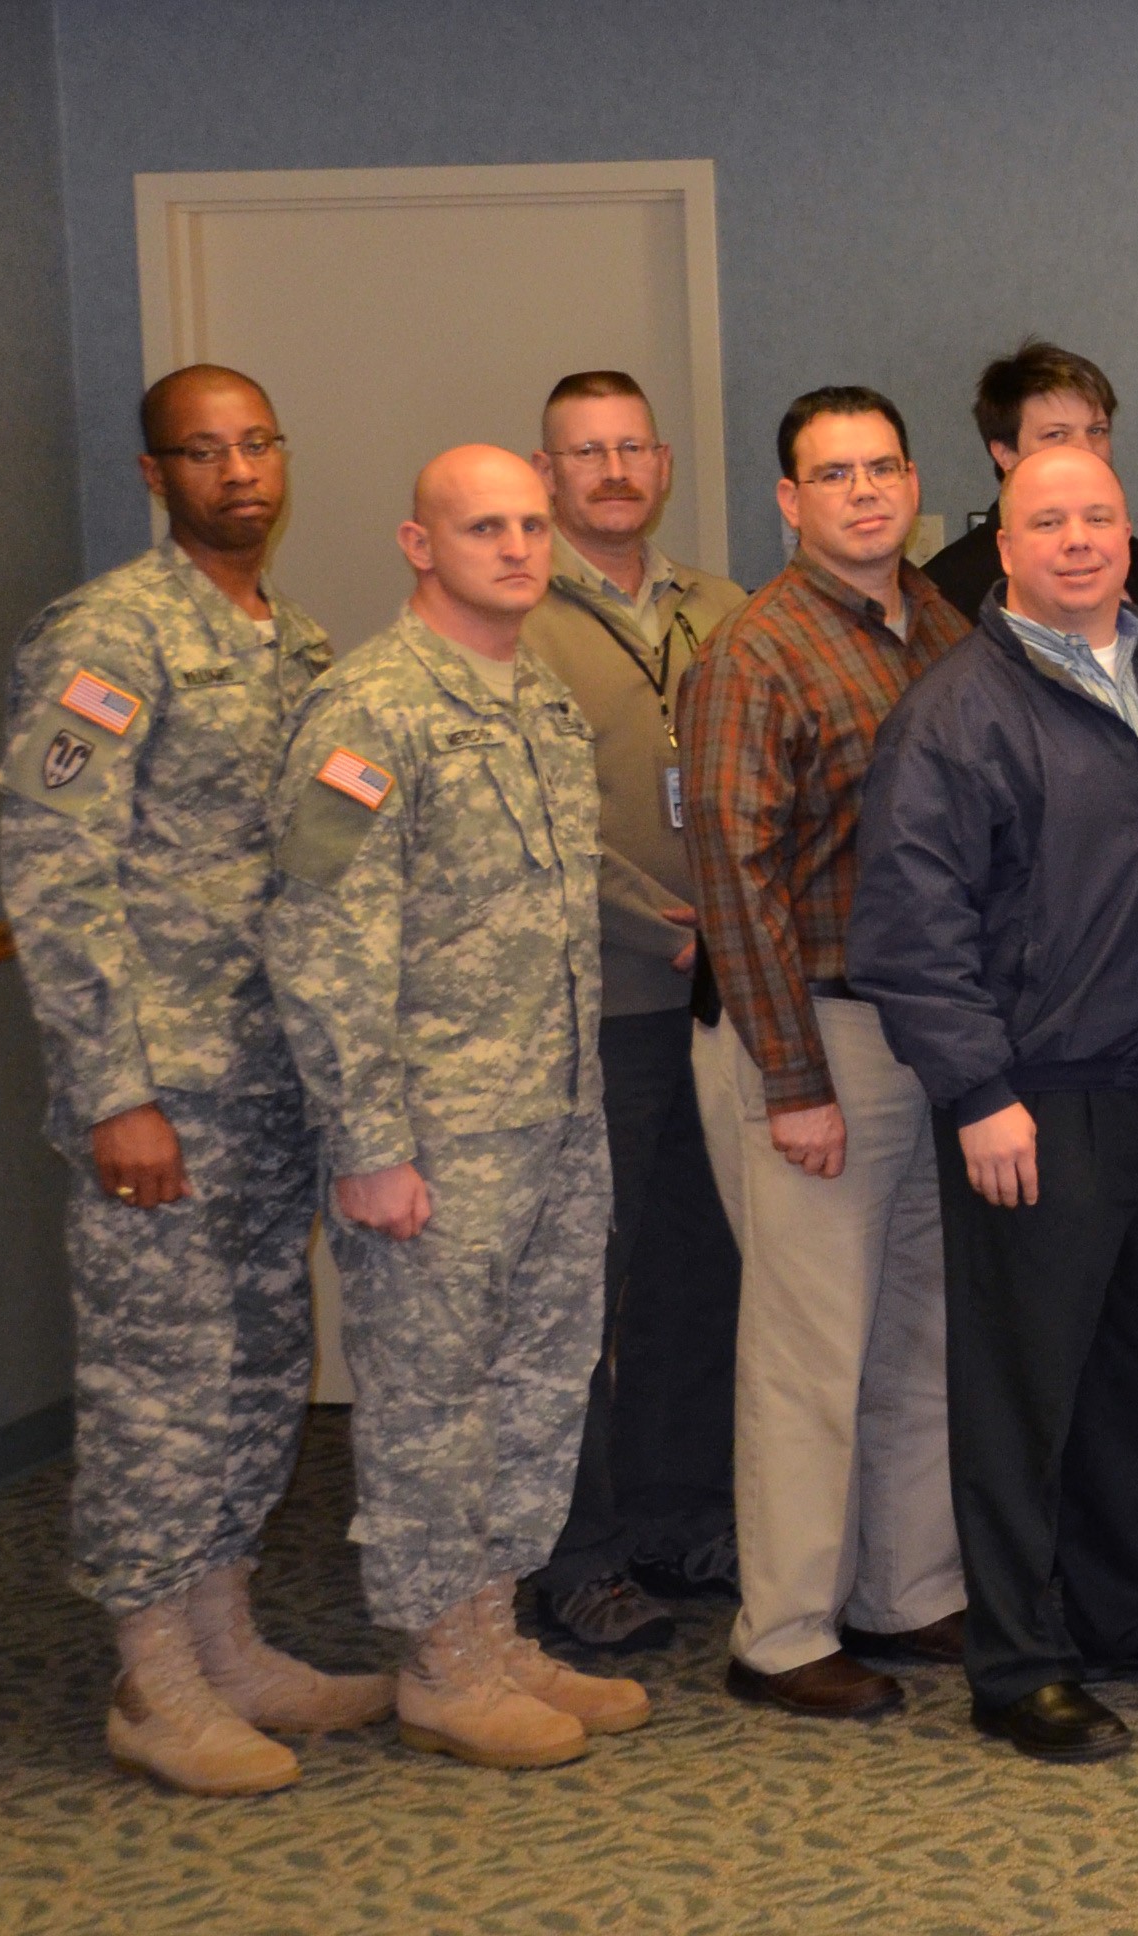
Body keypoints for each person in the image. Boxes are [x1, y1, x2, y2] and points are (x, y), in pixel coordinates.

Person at [851, 446, 1138, 1763]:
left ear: (1128, 532)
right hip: (1035, 1101)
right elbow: (913, 924)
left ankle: (1131, 1617)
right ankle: (1019, 1660)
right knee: (1022, 1398)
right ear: (1004, 545)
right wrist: (978, 1092)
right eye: (1048, 521)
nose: (1077, 539)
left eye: (1097, 516)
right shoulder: (958, 711)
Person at [1, 366, 376, 1796]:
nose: (241, 473)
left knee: (255, 1370)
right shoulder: (110, 638)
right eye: (205, 454)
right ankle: (153, 1684)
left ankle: (227, 1647)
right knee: (158, 1384)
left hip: (271, 1081)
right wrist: (113, 1091)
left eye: (259, 445)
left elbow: (315, 869)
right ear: (158, 477)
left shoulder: (300, 643)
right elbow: (54, 871)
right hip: (161, 1094)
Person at [263, 445, 647, 1769]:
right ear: (418, 545)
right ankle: (436, 1661)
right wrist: (368, 1146)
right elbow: (316, 928)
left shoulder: (534, 692)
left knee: (535, 1390)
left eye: (533, 526)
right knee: (433, 1403)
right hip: (432, 1135)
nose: (518, 549)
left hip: (553, 1113)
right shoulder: (367, 709)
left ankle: (493, 1632)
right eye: (485, 528)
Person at [678, 387, 974, 1724]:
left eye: (884, 468)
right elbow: (734, 880)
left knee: (917, 1332)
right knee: (811, 1349)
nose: (865, 493)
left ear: (915, 483)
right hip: (818, 1037)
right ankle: (786, 1631)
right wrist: (792, 1082)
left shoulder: (944, 629)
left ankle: (910, 1590)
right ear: (789, 503)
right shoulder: (759, 652)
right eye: (832, 475)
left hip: (929, 1039)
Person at [520, 369, 752, 1654]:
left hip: (718, 1008)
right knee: (580, 1295)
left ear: (662, 463)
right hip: (594, 1006)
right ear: (546, 473)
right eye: (582, 452)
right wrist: (663, 923)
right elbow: (545, 828)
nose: (610, 471)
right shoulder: (519, 610)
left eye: (629, 449)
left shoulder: (719, 608)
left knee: (695, 1275)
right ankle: (576, 1551)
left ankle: (676, 1515)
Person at [920, 339, 1138, 637]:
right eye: (1056, 435)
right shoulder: (947, 588)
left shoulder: (1137, 561)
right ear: (1004, 454)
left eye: (1096, 431)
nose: (1084, 450)